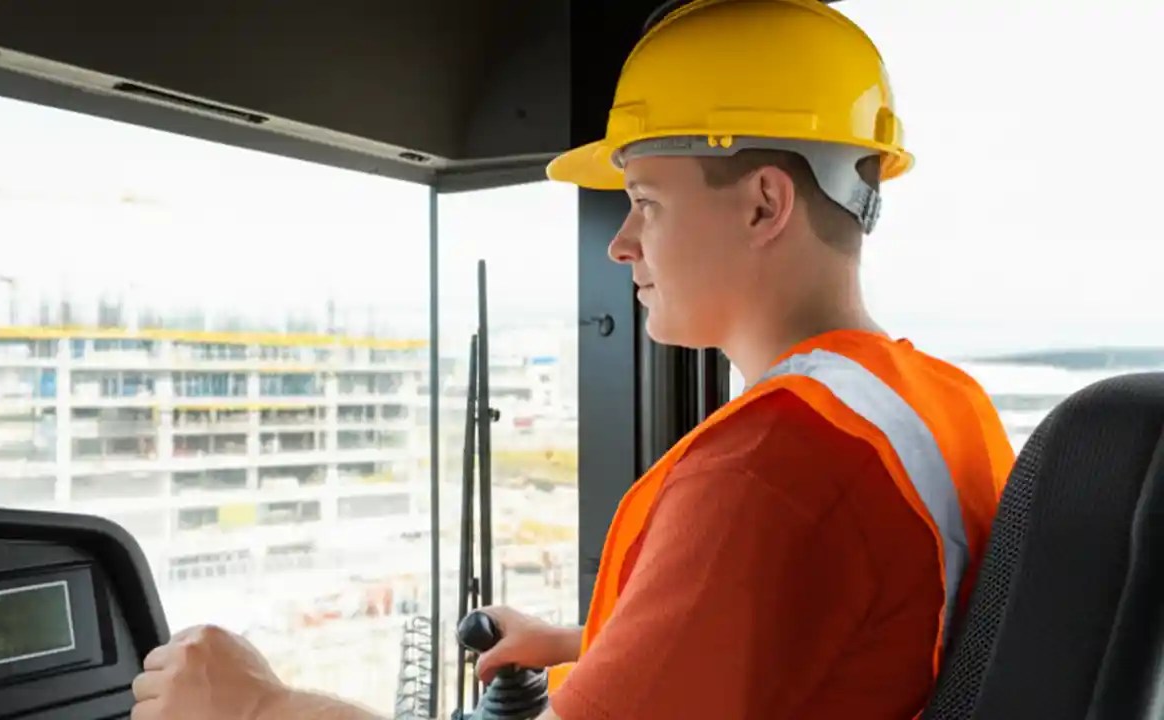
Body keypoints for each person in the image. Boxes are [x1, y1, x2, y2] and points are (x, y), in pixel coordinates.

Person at [129, 0, 1015, 717]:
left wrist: (257, 707)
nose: (621, 245)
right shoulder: (941, 406)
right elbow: (841, 631)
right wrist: (583, 643)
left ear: (763, 206)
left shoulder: (771, 469)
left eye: (644, 202)